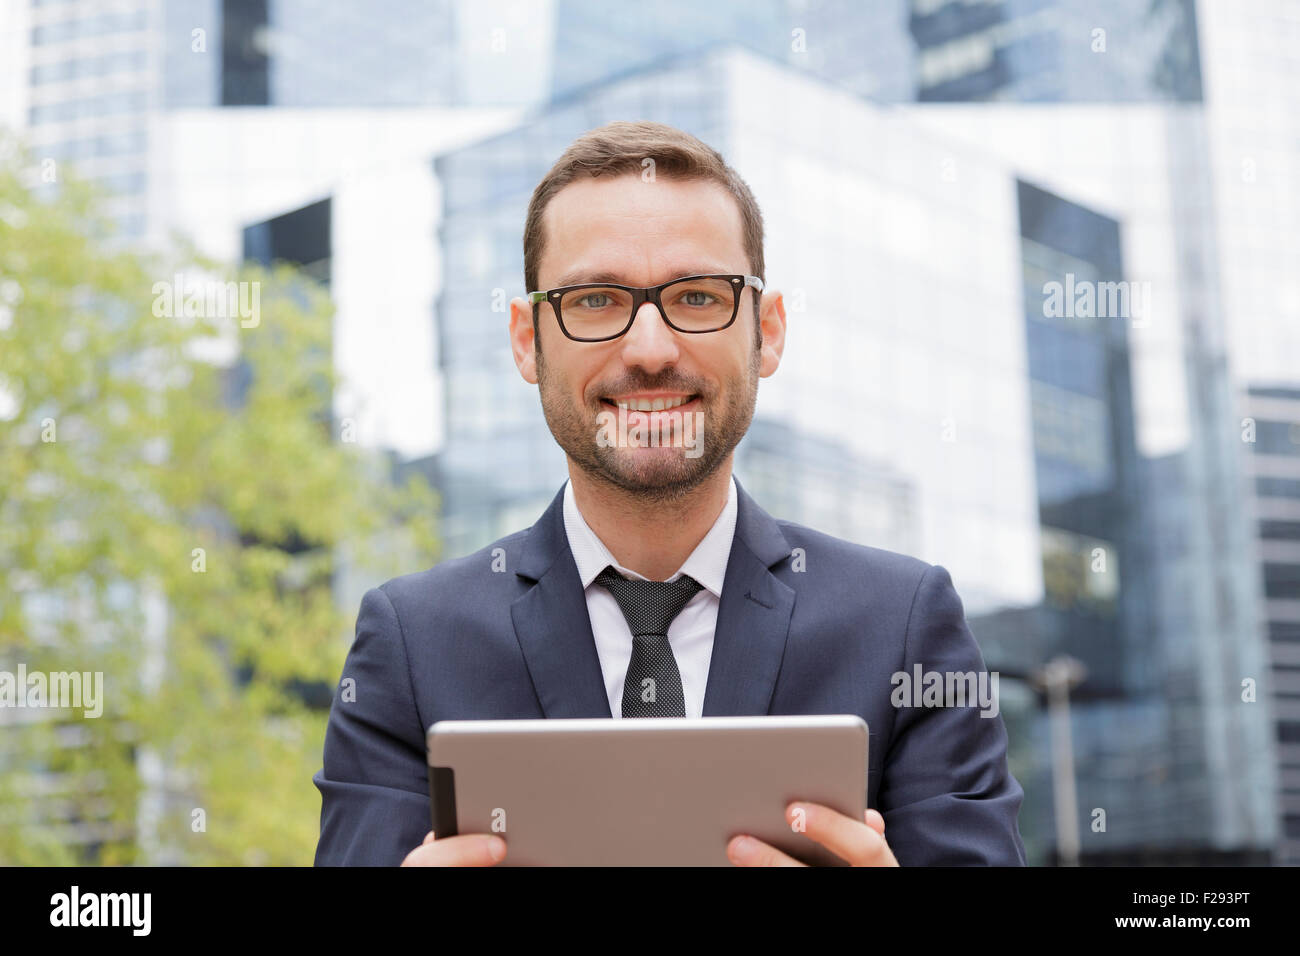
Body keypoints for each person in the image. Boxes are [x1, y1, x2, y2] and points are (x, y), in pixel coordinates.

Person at [312, 120, 1026, 867]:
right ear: (527, 340)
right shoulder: (411, 646)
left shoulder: (906, 628)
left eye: (696, 296)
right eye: (593, 300)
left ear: (768, 330)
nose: (650, 349)